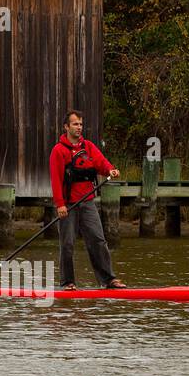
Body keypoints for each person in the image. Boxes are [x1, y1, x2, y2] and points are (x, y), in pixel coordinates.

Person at [50, 110, 126, 290]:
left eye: (81, 124)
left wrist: (110, 170)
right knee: (67, 244)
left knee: (98, 240)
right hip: (68, 205)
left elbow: (101, 163)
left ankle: (108, 280)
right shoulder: (58, 151)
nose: (79, 128)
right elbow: (55, 180)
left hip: (87, 203)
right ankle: (68, 282)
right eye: (75, 124)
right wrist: (60, 204)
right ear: (66, 127)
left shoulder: (88, 147)